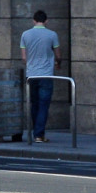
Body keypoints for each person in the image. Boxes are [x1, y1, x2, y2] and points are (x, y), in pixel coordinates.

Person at [20, 10, 60, 143]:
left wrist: (32, 64)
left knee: (34, 104)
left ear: (33, 20)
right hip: (46, 74)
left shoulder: (25, 34)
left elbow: (24, 58)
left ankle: (35, 132)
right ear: (46, 21)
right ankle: (39, 134)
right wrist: (57, 63)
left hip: (31, 75)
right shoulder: (52, 35)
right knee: (44, 105)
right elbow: (58, 54)